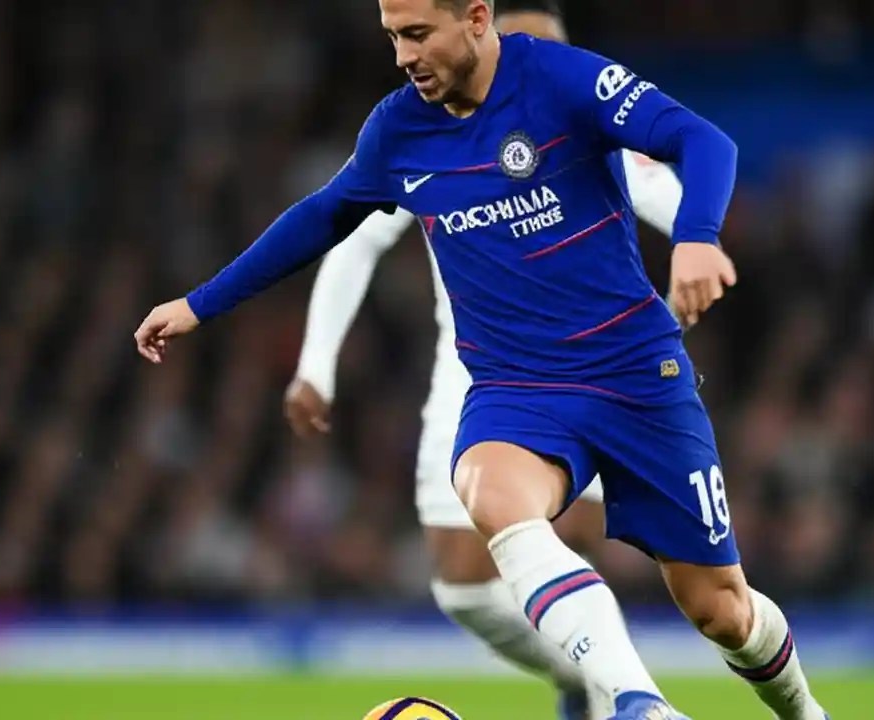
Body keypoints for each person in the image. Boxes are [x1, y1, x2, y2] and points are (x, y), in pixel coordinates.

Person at [134, 2, 828, 718]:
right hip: (514, 385)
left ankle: (806, 712)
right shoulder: (399, 129)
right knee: (491, 494)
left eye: (416, 34)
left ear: (474, 18)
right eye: (393, 37)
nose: (403, 56)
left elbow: (701, 139)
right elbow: (321, 218)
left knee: (721, 611)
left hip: (634, 376)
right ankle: (637, 703)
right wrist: (199, 305)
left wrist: (697, 236)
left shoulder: (558, 76)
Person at [282, 2, 683, 717]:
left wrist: (702, 246)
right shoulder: (428, 136)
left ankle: (629, 697)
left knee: (564, 533)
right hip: (469, 381)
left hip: (591, 372)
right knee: (463, 585)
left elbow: (676, 203)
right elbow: (356, 238)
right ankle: (591, 681)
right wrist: (317, 362)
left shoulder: (588, 124)